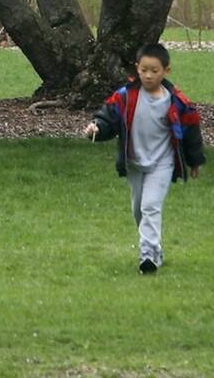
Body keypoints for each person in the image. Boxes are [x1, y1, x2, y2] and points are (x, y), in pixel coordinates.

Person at [82, 42, 205, 274]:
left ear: (166, 71)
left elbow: (190, 131)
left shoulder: (176, 101)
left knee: (150, 206)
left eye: (155, 71)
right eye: (144, 70)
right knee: (138, 209)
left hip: (162, 163)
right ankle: (155, 249)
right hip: (135, 162)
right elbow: (108, 117)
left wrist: (194, 160)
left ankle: (147, 255)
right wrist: (97, 127)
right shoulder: (126, 96)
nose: (148, 75)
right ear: (137, 69)